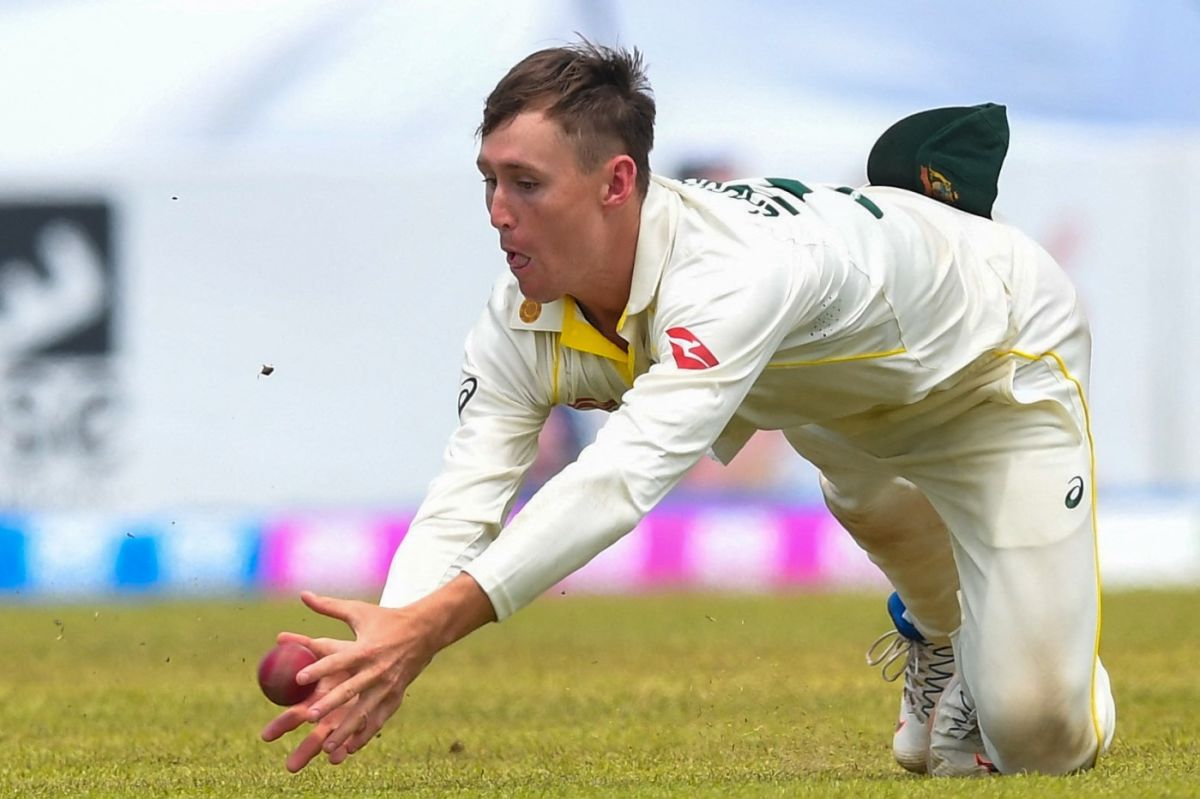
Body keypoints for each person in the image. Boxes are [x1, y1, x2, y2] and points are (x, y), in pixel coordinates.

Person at [260, 41, 1116, 777]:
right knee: (935, 721)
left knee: (1037, 733)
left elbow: (618, 483)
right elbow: (468, 490)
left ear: (616, 181)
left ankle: (1052, 671)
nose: (498, 214)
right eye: (489, 180)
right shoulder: (519, 314)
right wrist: (388, 638)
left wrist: (424, 632)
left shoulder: (728, 278)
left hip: (997, 372)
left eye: (525, 183)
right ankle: (938, 638)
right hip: (840, 406)